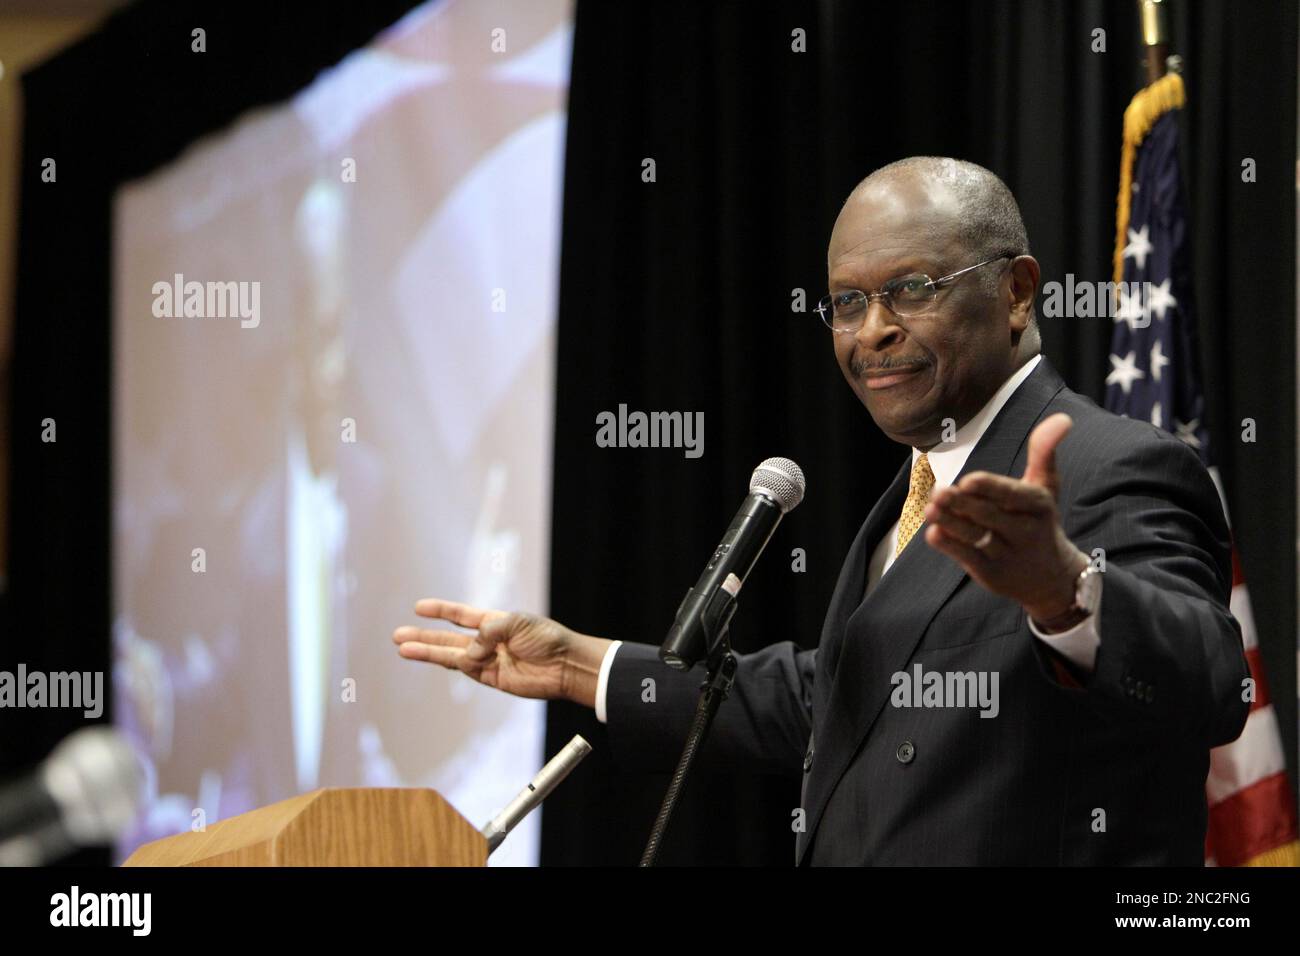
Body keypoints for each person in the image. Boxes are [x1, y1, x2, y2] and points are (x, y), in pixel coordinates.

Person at [393, 157, 1250, 865]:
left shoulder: (1110, 466)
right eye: (847, 302)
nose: (870, 331)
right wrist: (583, 667)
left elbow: (1213, 681)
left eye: (912, 288)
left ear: (1018, 292)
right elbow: (834, 693)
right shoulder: (909, 497)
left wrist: (1067, 591)